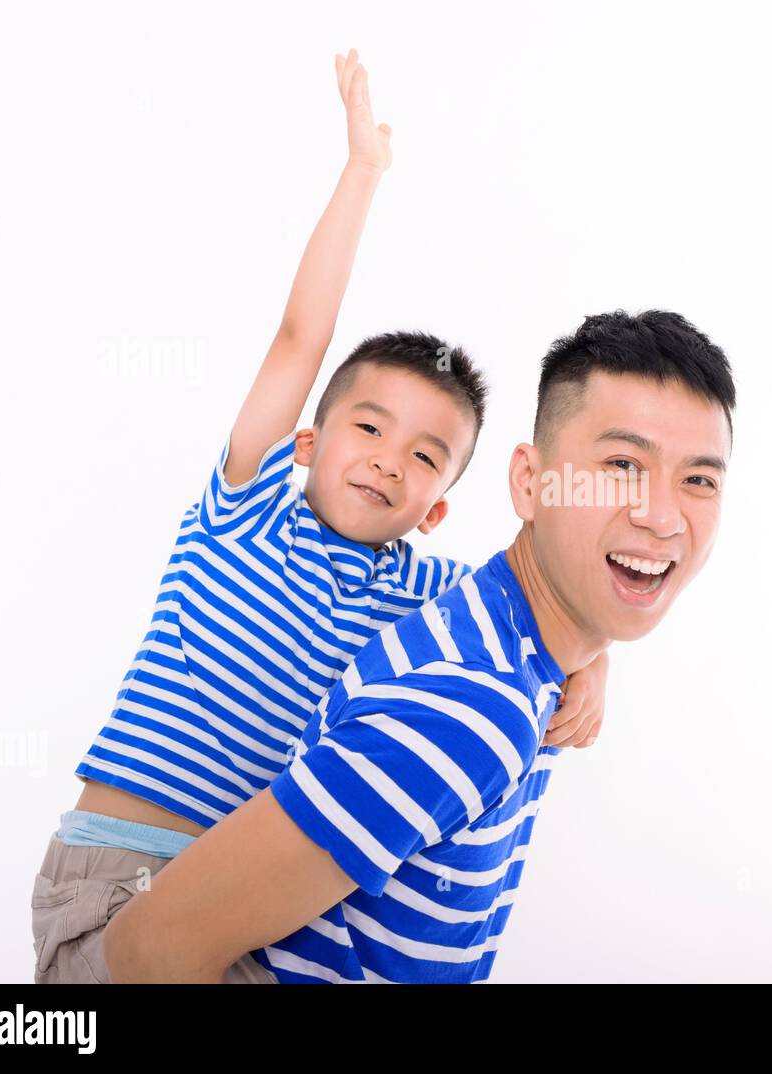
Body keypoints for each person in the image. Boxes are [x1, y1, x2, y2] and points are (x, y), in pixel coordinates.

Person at [30, 49, 606, 986]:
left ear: (438, 507)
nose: (389, 457)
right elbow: (299, 338)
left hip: (248, 922)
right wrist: (362, 171)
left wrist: (598, 658)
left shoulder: (430, 594)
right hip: (121, 879)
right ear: (307, 443)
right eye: (369, 427)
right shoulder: (248, 506)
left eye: (424, 454)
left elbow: (553, 589)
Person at [102, 308, 736, 983]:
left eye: (698, 479)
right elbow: (150, 949)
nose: (662, 516)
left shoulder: (495, 630)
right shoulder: (471, 707)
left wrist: (594, 654)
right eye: (621, 465)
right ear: (529, 483)